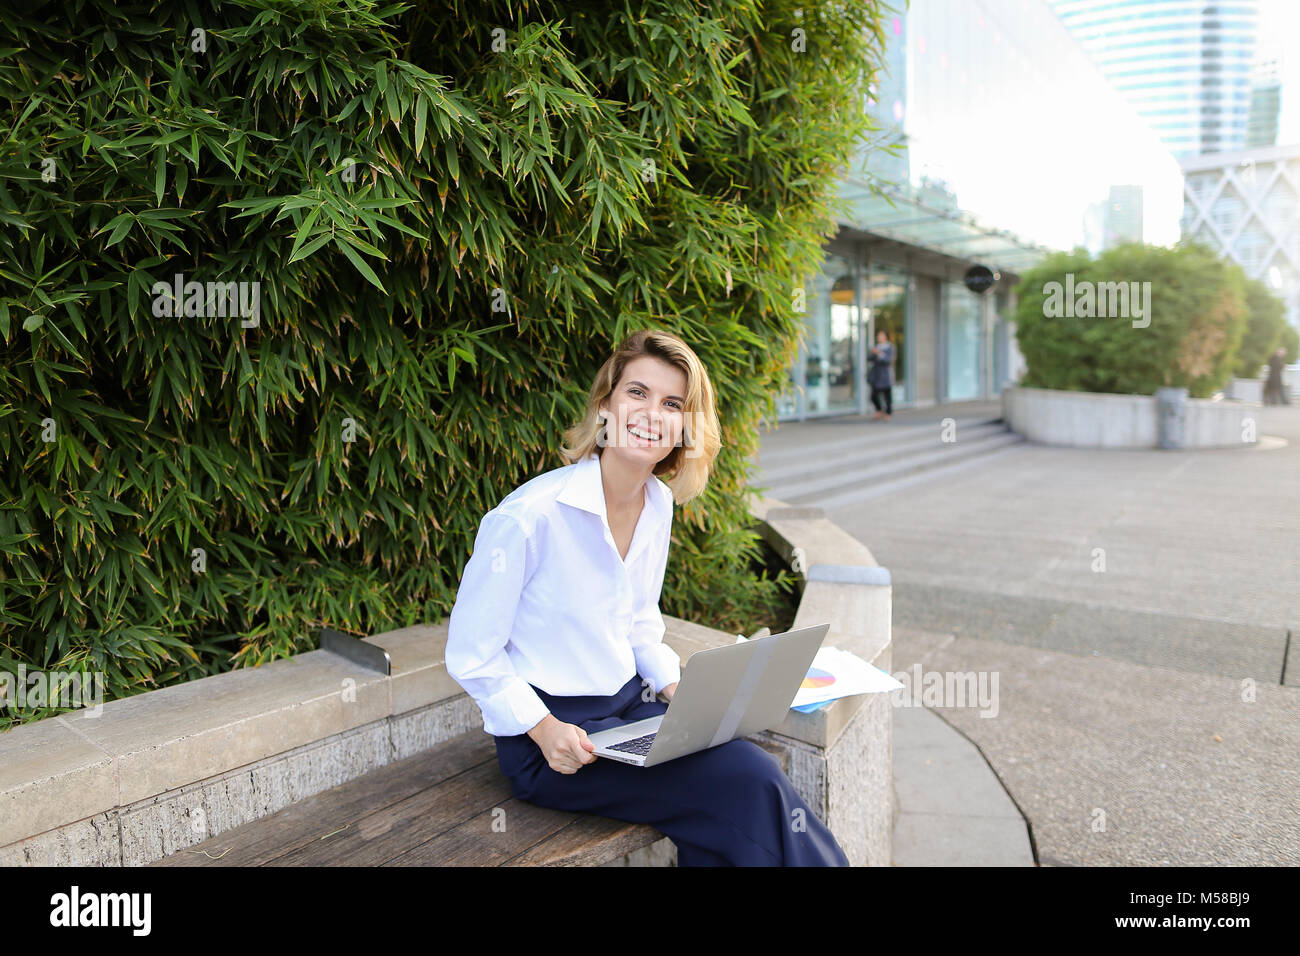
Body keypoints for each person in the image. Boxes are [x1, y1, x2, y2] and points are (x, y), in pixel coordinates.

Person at [445, 329, 850, 867]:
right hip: (554, 745)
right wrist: (543, 729)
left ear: (684, 426)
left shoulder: (658, 503)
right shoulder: (527, 518)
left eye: (672, 403)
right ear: (605, 406)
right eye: (637, 392)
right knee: (752, 779)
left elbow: (638, 620)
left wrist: (673, 684)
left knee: (726, 812)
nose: (651, 413)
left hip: (632, 713)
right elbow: (472, 653)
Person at [868, 329, 894, 420]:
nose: (879, 337)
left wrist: (880, 353)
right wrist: (872, 353)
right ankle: (879, 410)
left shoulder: (890, 347)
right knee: (873, 395)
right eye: (878, 335)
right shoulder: (876, 346)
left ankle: (888, 413)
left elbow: (888, 360)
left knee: (887, 395)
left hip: (886, 374)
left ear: (885, 336)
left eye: (881, 335)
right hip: (876, 375)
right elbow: (869, 359)